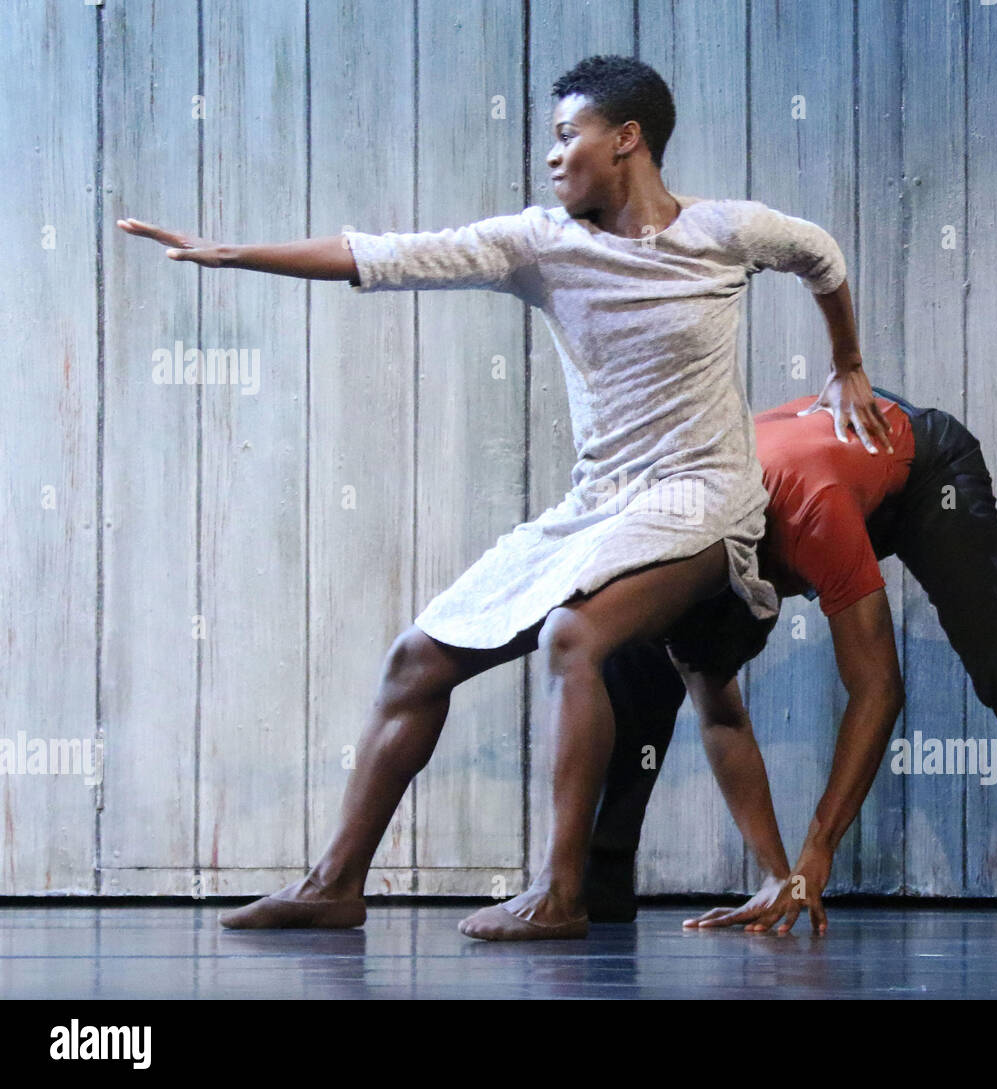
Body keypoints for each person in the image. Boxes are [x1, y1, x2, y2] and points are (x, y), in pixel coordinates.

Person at [115, 54, 891, 940]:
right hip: (599, 504)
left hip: (704, 499)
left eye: (569, 137)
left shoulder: (724, 233)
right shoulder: (541, 243)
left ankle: (562, 894)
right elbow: (392, 256)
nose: (554, 158)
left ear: (627, 140)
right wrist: (236, 255)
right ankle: (334, 883)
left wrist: (848, 365)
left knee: (575, 635)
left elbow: (820, 255)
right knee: (417, 657)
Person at [584, 388, 997, 932]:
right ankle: (603, 875)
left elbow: (879, 689)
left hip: (922, 467)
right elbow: (719, 714)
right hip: (813, 461)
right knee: (639, 650)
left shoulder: (812, 514)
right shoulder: (677, 515)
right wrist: (775, 875)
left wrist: (815, 853)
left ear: (765, 601)